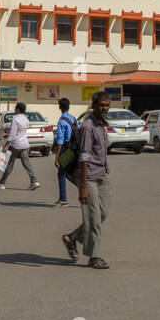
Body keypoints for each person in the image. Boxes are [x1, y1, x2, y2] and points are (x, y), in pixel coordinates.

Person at [63, 91, 112, 269]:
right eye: (100, 105)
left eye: (106, 105)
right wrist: (83, 186)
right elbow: (84, 157)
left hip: (103, 175)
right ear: (93, 105)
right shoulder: (88, 126)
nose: (103, 108)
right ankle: (94, 256)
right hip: (89, 177)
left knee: (103, 213)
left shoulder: (102, 124)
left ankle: (73, 237)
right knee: (94, 220)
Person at [0, 101, 39, 190]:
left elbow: (14, 134)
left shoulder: (15, 118)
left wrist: (6, 144)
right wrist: (9, 134)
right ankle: (34, 181)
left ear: (17, 109)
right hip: (25, 144)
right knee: (26, 163)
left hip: (16, 145)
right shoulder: (26, 119)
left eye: (15, 108)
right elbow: (20, 132)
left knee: (10, 164)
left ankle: (1, 183)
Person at [51, 97, 77, 208]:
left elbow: (60, 141)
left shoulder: (62, 121)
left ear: (60, 107)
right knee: (66, 172)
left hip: (66, 149)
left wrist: (57, 158)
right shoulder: (74, 119)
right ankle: (64, 198)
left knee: (62, 173)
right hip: (74, 148)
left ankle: (63, 199)